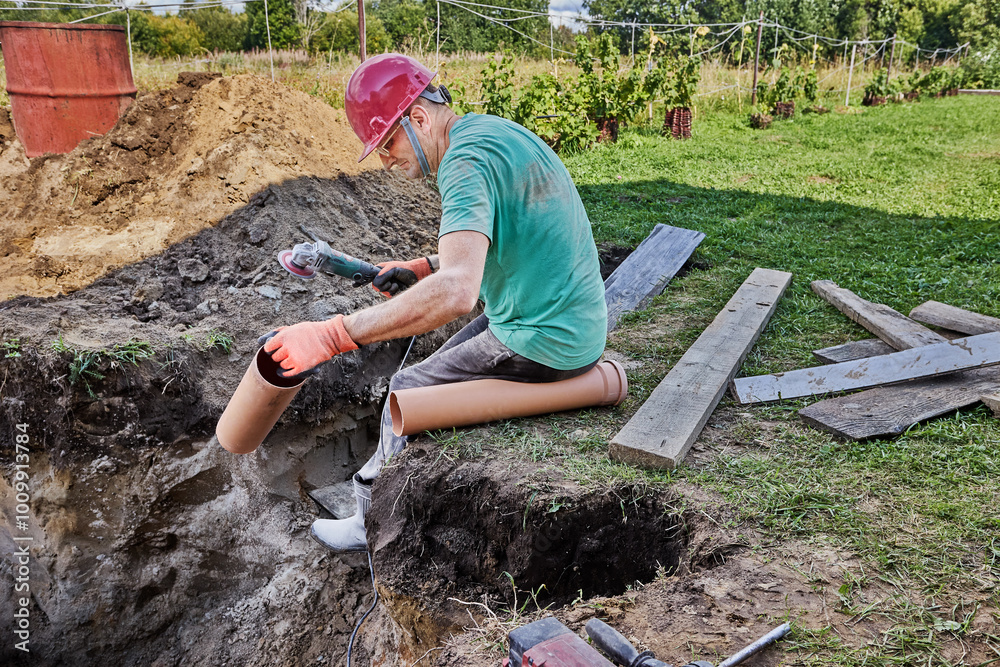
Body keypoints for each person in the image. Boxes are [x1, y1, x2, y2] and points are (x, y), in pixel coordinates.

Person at [261, 53, 608, 553]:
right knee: (438, 368)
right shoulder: (489, 133)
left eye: (387, 143)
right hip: (567, 318)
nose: (386, 160)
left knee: (407, 389)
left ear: (418, 118)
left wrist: (332, 335)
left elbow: (457, 292)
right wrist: (422, 267)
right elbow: (495, 236)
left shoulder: (464, 165)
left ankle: (370, 522)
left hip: (548, 339)